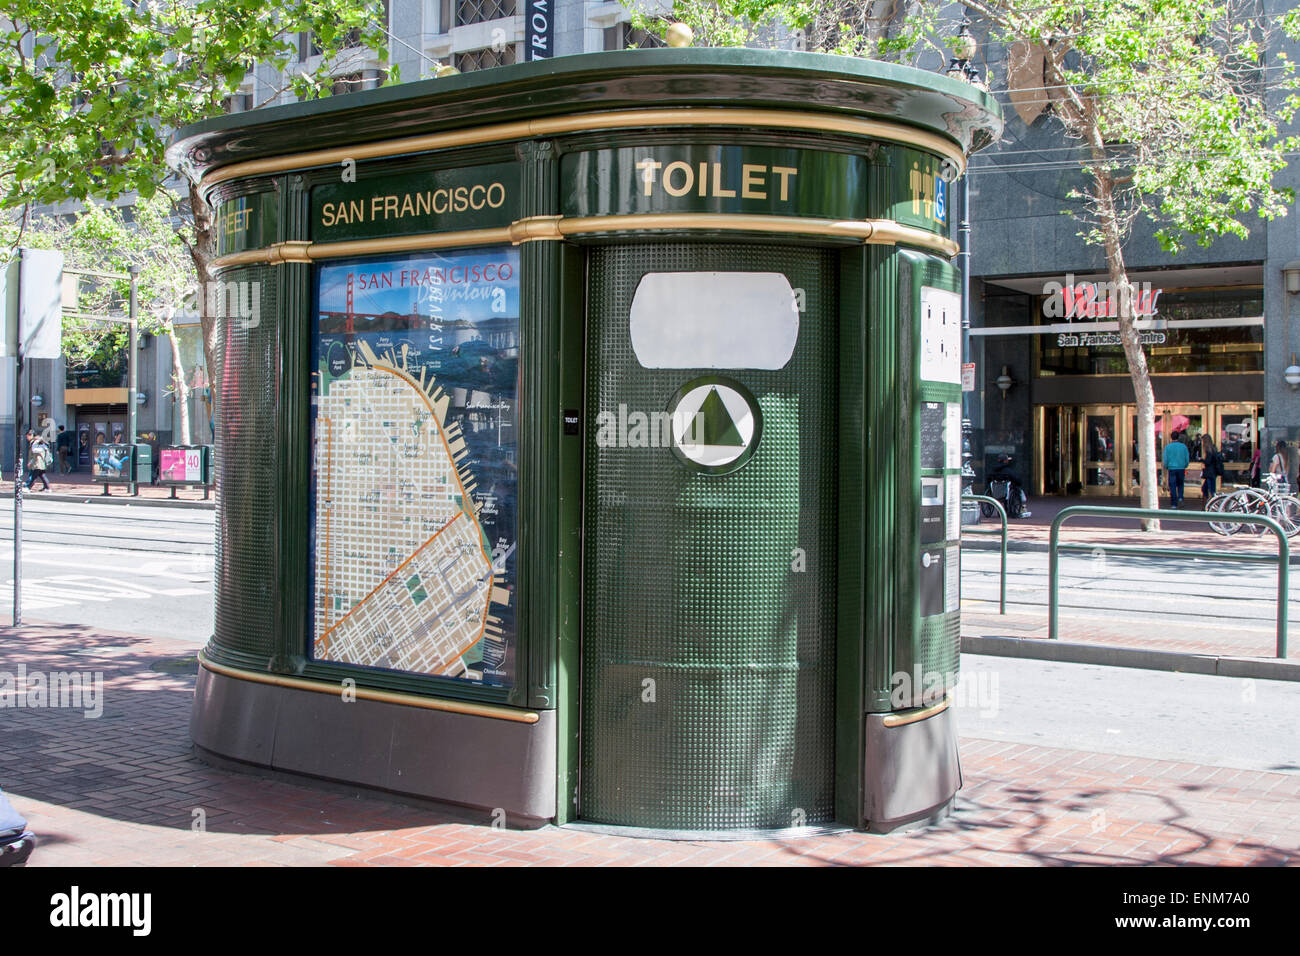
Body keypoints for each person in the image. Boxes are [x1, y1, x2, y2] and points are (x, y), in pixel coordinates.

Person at [1162, 429, 1190, 508]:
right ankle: (1180, 498)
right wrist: (1185, 465)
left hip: (1172, 468)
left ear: (1171, 438)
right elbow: (1187, 458)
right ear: (1178, 437)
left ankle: (1174, 503)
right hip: (1181, 468)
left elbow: (1165, 459)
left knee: (1172, 486)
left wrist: (1166, 466)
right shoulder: (1183, 447)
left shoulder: (1168, 447)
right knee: (1180, 484)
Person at [1200, 433, 1223, 499]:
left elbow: (1208, 461)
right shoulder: (1214, 448)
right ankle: (1209, 502)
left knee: (1210, 489)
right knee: (1206, 488)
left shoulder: (1209, 450)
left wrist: (1201, 460)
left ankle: (1211, 502)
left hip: (1210, 472)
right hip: (1213, 471)